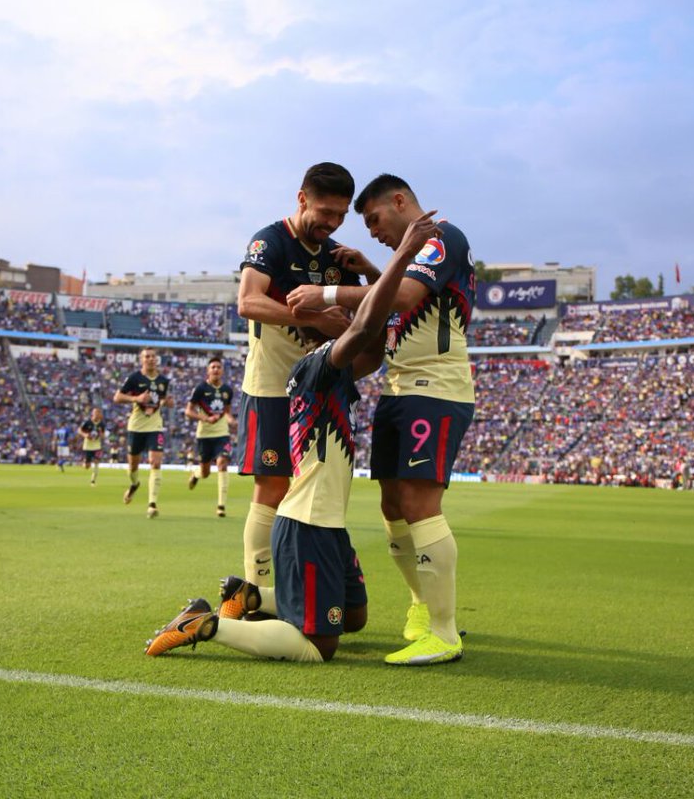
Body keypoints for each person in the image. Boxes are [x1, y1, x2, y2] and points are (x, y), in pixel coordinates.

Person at [145, 209, 440, 663]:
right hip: (307, 524)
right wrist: (402, 252)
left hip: (328, 524)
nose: (347, 315)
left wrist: (369, 272)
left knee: (354, 617)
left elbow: (375, 344)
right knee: (320, 646)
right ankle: (206, 624)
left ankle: (252, 596)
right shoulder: (317, 368)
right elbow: (364, 328)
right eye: (340, 312)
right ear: (323, 324)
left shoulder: (327, 368)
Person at [286, 174, 475, 666]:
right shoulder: (405, 257)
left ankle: (444, 631)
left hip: (434, 389)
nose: (371, 231)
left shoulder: (440, 236)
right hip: (400, 388)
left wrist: (324, 296)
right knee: (392, 506)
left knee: (418, 502)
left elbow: (404, 298)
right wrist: (373, 269)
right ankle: (421, 606)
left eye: (373, 219)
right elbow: (391, 296)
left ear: (400, 201)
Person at [234, 162, 374, 588]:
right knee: (272, 489)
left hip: (322, 393)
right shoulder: (270, 241)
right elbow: (248, 302)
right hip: (273, 387)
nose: (331, 223)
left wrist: (366, 268)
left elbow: (371, 312)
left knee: (316, 494)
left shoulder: (338, 257)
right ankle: (255, 593)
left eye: (340, 215)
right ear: (302, 199)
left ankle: (299, 588)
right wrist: (313, 315)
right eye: (325, 212)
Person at [113, 347, 173, 518]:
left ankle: (152, 504)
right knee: (133, 466)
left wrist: (168, 402)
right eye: (147, 356)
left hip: (155, 427)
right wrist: (136, 399)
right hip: (136, 427)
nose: (151, 359)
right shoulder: (134, 378)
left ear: (157, 359)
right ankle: (134, 484)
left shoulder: (163, 381)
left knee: (155, 462)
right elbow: (117, 397)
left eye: (153, 356)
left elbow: (164, 400)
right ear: (142, 360)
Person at [185, 356, 235, 517]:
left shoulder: (227, 390)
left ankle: (221, 506)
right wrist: (206, 418)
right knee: (205, 473)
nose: (215, 369)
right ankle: (196, 474)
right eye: (212, 367)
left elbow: (226, 412)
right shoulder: (200, 389)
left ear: (222, 370)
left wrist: (232, 421)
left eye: (218, 367)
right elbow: (189, 411)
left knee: (222, 464)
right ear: (208, 370)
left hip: (222, 434)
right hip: (204, 435)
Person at [78, 407, 107, 486]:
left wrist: (102, 435)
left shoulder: (102, 424)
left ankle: (93, 481)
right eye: (96, 413)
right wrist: (85, 435)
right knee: (87, 466)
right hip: (88, 446)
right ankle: (84, 463)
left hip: (97, 446)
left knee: (97, 462)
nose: (97, 414)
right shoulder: (87, 422)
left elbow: (103, 435)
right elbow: (80, 430)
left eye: (99, 413)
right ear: (93, 414)